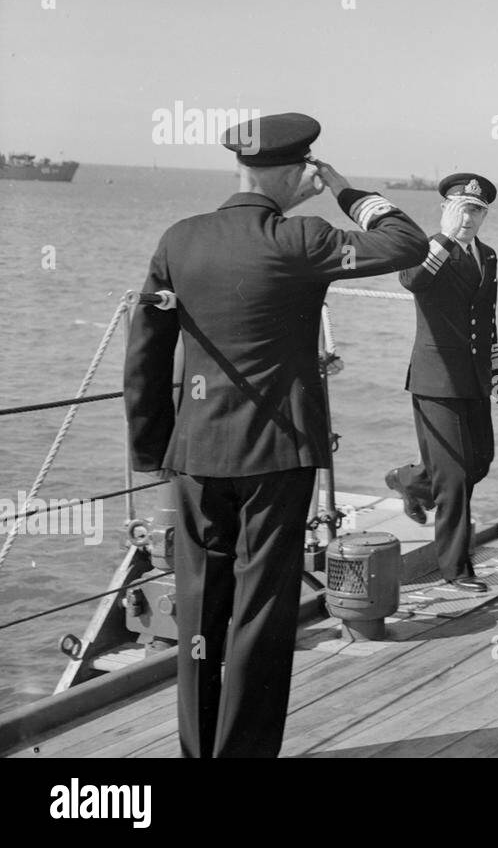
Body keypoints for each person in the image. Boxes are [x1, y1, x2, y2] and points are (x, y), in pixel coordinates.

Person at [123, 113, 428, 759]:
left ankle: (196, 750)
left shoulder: (180, 239)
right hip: (276, 457)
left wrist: (151, 448)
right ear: (297, 173)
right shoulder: (303, 238)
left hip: (196, 457)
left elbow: (145, 348)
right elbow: (406, 243)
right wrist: (348, 190)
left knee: (199, 616)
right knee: (261, 618)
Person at [385, 173, 498, 594]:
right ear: (445, 209)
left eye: (477, 211)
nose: (470, 218)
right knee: (455, 478)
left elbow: (487, 319)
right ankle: (456, 569)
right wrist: (444, 236)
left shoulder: (488, 256)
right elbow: (412, 282)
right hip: (435, 379)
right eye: (462, 209)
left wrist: (496, 372)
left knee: (480, 462)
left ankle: (411, 480)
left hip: (474, 377)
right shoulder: (428, 250)